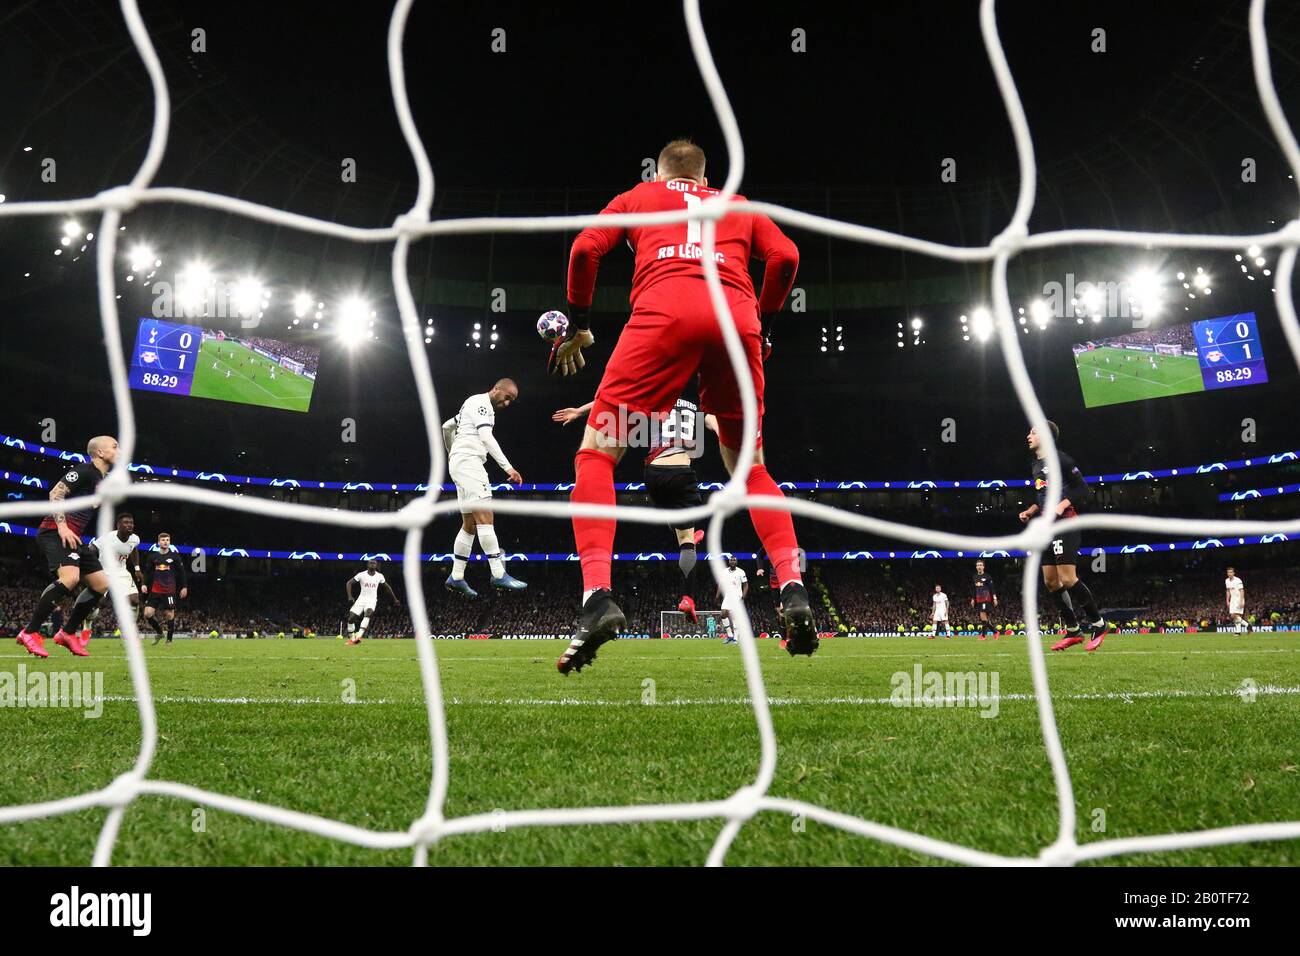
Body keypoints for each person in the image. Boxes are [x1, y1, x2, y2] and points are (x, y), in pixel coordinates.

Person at [550, 138, 815, 674]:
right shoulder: (738, 205)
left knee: (597, 454)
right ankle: (792, 587)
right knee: (751, 469)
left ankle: (598, 596)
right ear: (703, 175)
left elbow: (583, 249)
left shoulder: (639, 196)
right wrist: (762, 323)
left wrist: (579, 324)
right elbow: (787, 256)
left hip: (663, 319)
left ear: (661, 170)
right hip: (735, 321)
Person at [553, 393, 717, 622]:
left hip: (652, 474)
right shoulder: (696, 408)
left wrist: (580, 411)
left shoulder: (656, 397)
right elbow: (713, 422)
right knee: (687, 544)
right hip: (680, 471)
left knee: (673, 513)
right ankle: (688, 596)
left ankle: (683, 531)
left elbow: (614, 401)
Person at [15, 436, 120, 658]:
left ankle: (68, 633)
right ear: (100, 452)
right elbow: (55, 493)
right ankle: (29, 632)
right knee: (70, 578)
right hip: (55, 532)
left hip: (75, 537)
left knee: (101, 584)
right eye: (114, 446)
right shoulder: (84, 470)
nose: (118, 449)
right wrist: (62, 528)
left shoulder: (102, 478)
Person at [1018, 421, 1110, 652]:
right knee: (1051, 581)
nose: (1029, 435)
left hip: (1065, 523)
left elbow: (1083, 489)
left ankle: (1098, 624)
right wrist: (1031, 511)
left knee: (1068, 578)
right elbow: (1043, 497)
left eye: (1034, 432)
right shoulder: (1036, 464)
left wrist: (1061, 506)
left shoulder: (1062, 459)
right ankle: (1073, 630)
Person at [441, 379, 527, 597]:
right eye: (507, 397)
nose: (507, 403)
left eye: (512, 401)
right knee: (486, 516)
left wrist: (452, 452)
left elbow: (447, 426)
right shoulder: (481, 405)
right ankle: (498, 574)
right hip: (469, 462)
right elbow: (486, 437)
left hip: (463, 462)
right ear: (496, 389)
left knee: (469, 523)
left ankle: (456, 576)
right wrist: (508, 468)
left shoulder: (471, 406)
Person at [141, 532, 188, 645]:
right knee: (147, 613)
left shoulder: (175, 557)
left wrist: (184, 587)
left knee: (169, 614)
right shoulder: (153, 557)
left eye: (167, 540)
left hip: (169, 591)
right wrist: (144, 584)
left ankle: (169, 640)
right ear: (158, 542)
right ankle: (159, 632)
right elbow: (147, 572)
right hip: (155, 591)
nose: (165, 542)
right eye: (163, 540)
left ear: (169, 542)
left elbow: (182, 573)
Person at [344, 560, 399, 645]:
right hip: (361, 599)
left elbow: (387, 587)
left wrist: (395, 599)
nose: (372, 564)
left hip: (372, 600)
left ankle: (359, 636)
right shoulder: (361, 575)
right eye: (371, 563)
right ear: (367, 565)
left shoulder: (379, 576)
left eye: (374, 563)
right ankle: (352, 639)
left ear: (376, 566)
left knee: (368, 613)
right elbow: (349, 583)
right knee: (351, 618)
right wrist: (350, 596)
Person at [717, 555, 749, 646]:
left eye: (734, 560)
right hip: (727, 596)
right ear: (729, 562)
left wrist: (743, 596)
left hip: (737, 597)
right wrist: (717, 596)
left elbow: (746, 585)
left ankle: (735, 638)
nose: (733, 561)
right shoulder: (724, 572)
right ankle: (730, 635)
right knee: (723, 614)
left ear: (736, 562)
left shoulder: (741, 572)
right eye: (731, 560)